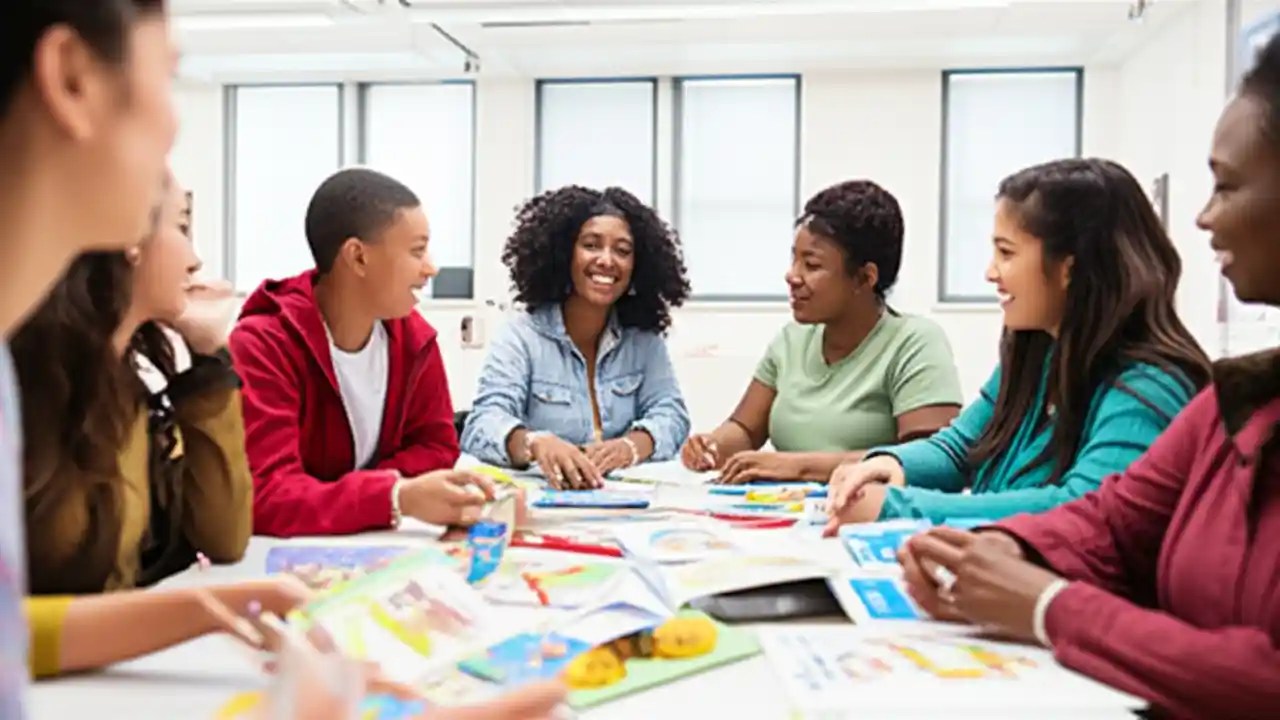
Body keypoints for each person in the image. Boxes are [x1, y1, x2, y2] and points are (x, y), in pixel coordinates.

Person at [893, 34, 1280, 720]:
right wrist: (1005, 546)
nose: (1202, 216)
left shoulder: (1151, 383)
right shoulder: (1238, 397)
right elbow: (1108, 516)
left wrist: (1046, 605)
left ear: (1068, 266)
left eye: (1227, 185)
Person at [825, 159, 1211, 528]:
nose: (991, 273)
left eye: (1006, 253)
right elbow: (961, 446)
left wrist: (899, 508)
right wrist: (891, 465)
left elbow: (1084, 511)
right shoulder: (1038, 353)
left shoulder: (1150, 387)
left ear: (1069, 269)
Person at [12, 173, 250, 595]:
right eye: (181, 227)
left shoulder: (130, 382)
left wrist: (210, 359)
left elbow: (222, 538)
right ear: (130, 239)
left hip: (102, 655)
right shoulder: (30, 381)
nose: (195, 260)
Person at [230, 168, 496, 537]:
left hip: (368, 542)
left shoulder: (415, 339)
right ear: (357, 257)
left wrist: (349, 497)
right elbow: (266, 495)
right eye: (417, 251)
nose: (431, 268)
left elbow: (437, 447)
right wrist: (393, 495)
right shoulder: (263, 346)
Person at [680, 180, 963, 484]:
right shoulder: (791, 341)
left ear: (864, 278)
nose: (792, 276)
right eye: (794, 259)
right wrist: (714, 445)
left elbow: (931, 461)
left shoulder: (914, 343)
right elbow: (746, 429)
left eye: (811, 265)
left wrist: (797, 467)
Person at [460, 186, 692, 489]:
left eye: (622, 251)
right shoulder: (521, 335)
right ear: (563, 254)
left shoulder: (643, 339)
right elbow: (482, 423)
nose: (607, 260)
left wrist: (631, 446)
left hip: (628, 503)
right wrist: (535, 444)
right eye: (591, 245)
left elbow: (671, 414)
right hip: (545, 502)